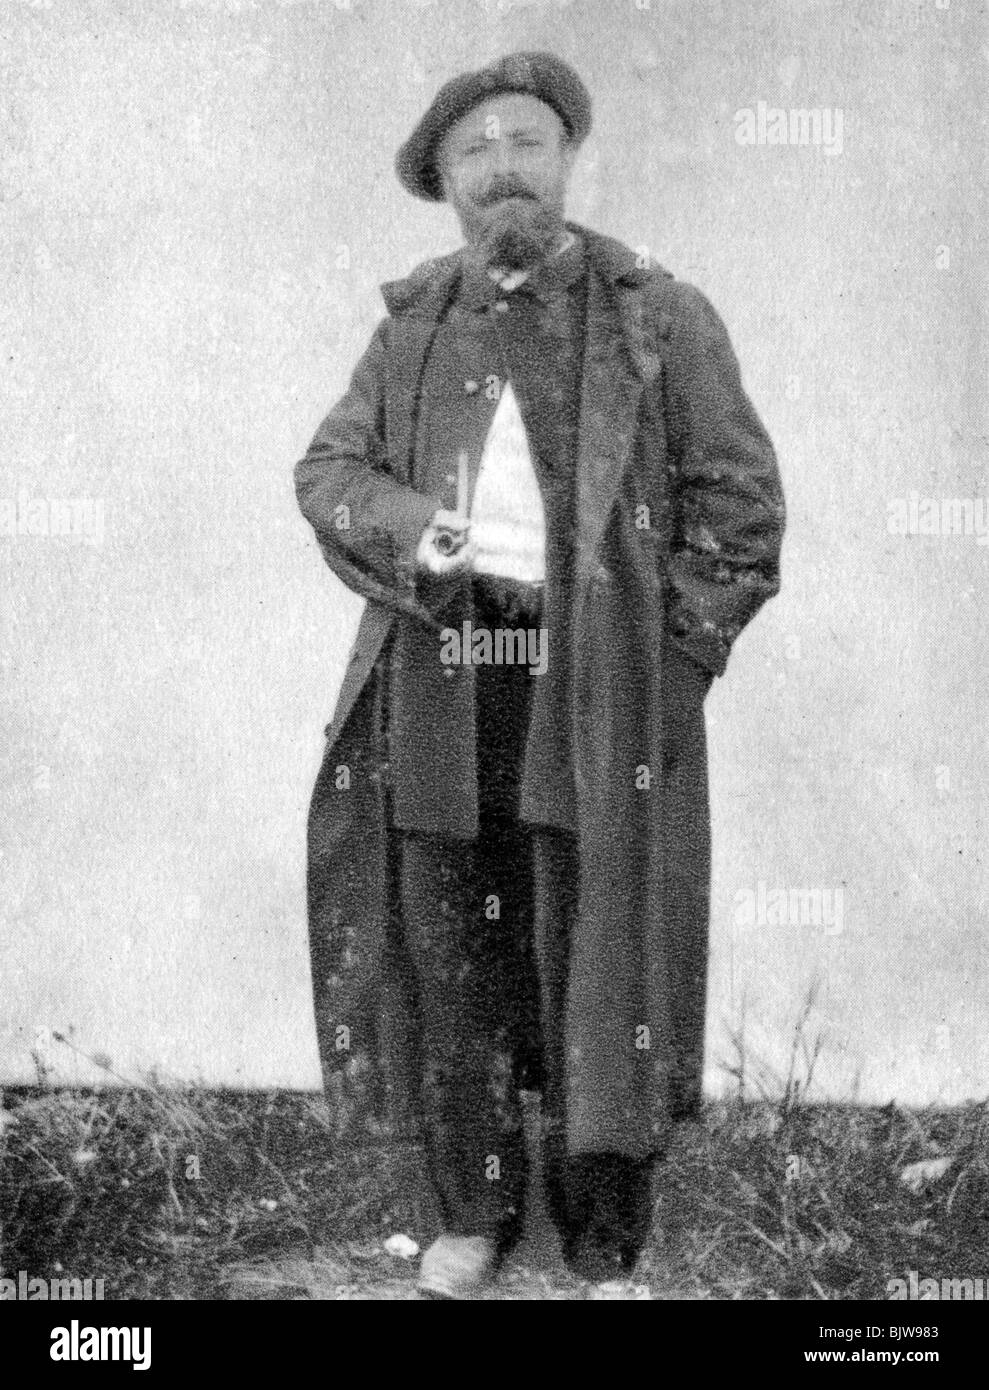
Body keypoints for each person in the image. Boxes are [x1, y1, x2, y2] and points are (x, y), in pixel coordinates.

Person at [294, 50, 785, 1299]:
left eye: (525, 141)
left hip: (595, 686)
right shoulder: (413, 323)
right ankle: (473, 1215)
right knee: (449, 947)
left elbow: (739, 507)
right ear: (444, 184)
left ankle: (603, 1229)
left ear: (565, 158)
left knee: (597, 948)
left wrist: (670, 666)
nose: (501, 168)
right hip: (444, 674)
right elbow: (329, 472)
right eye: (474, 153)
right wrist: (422, 532)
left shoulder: (656, 315)